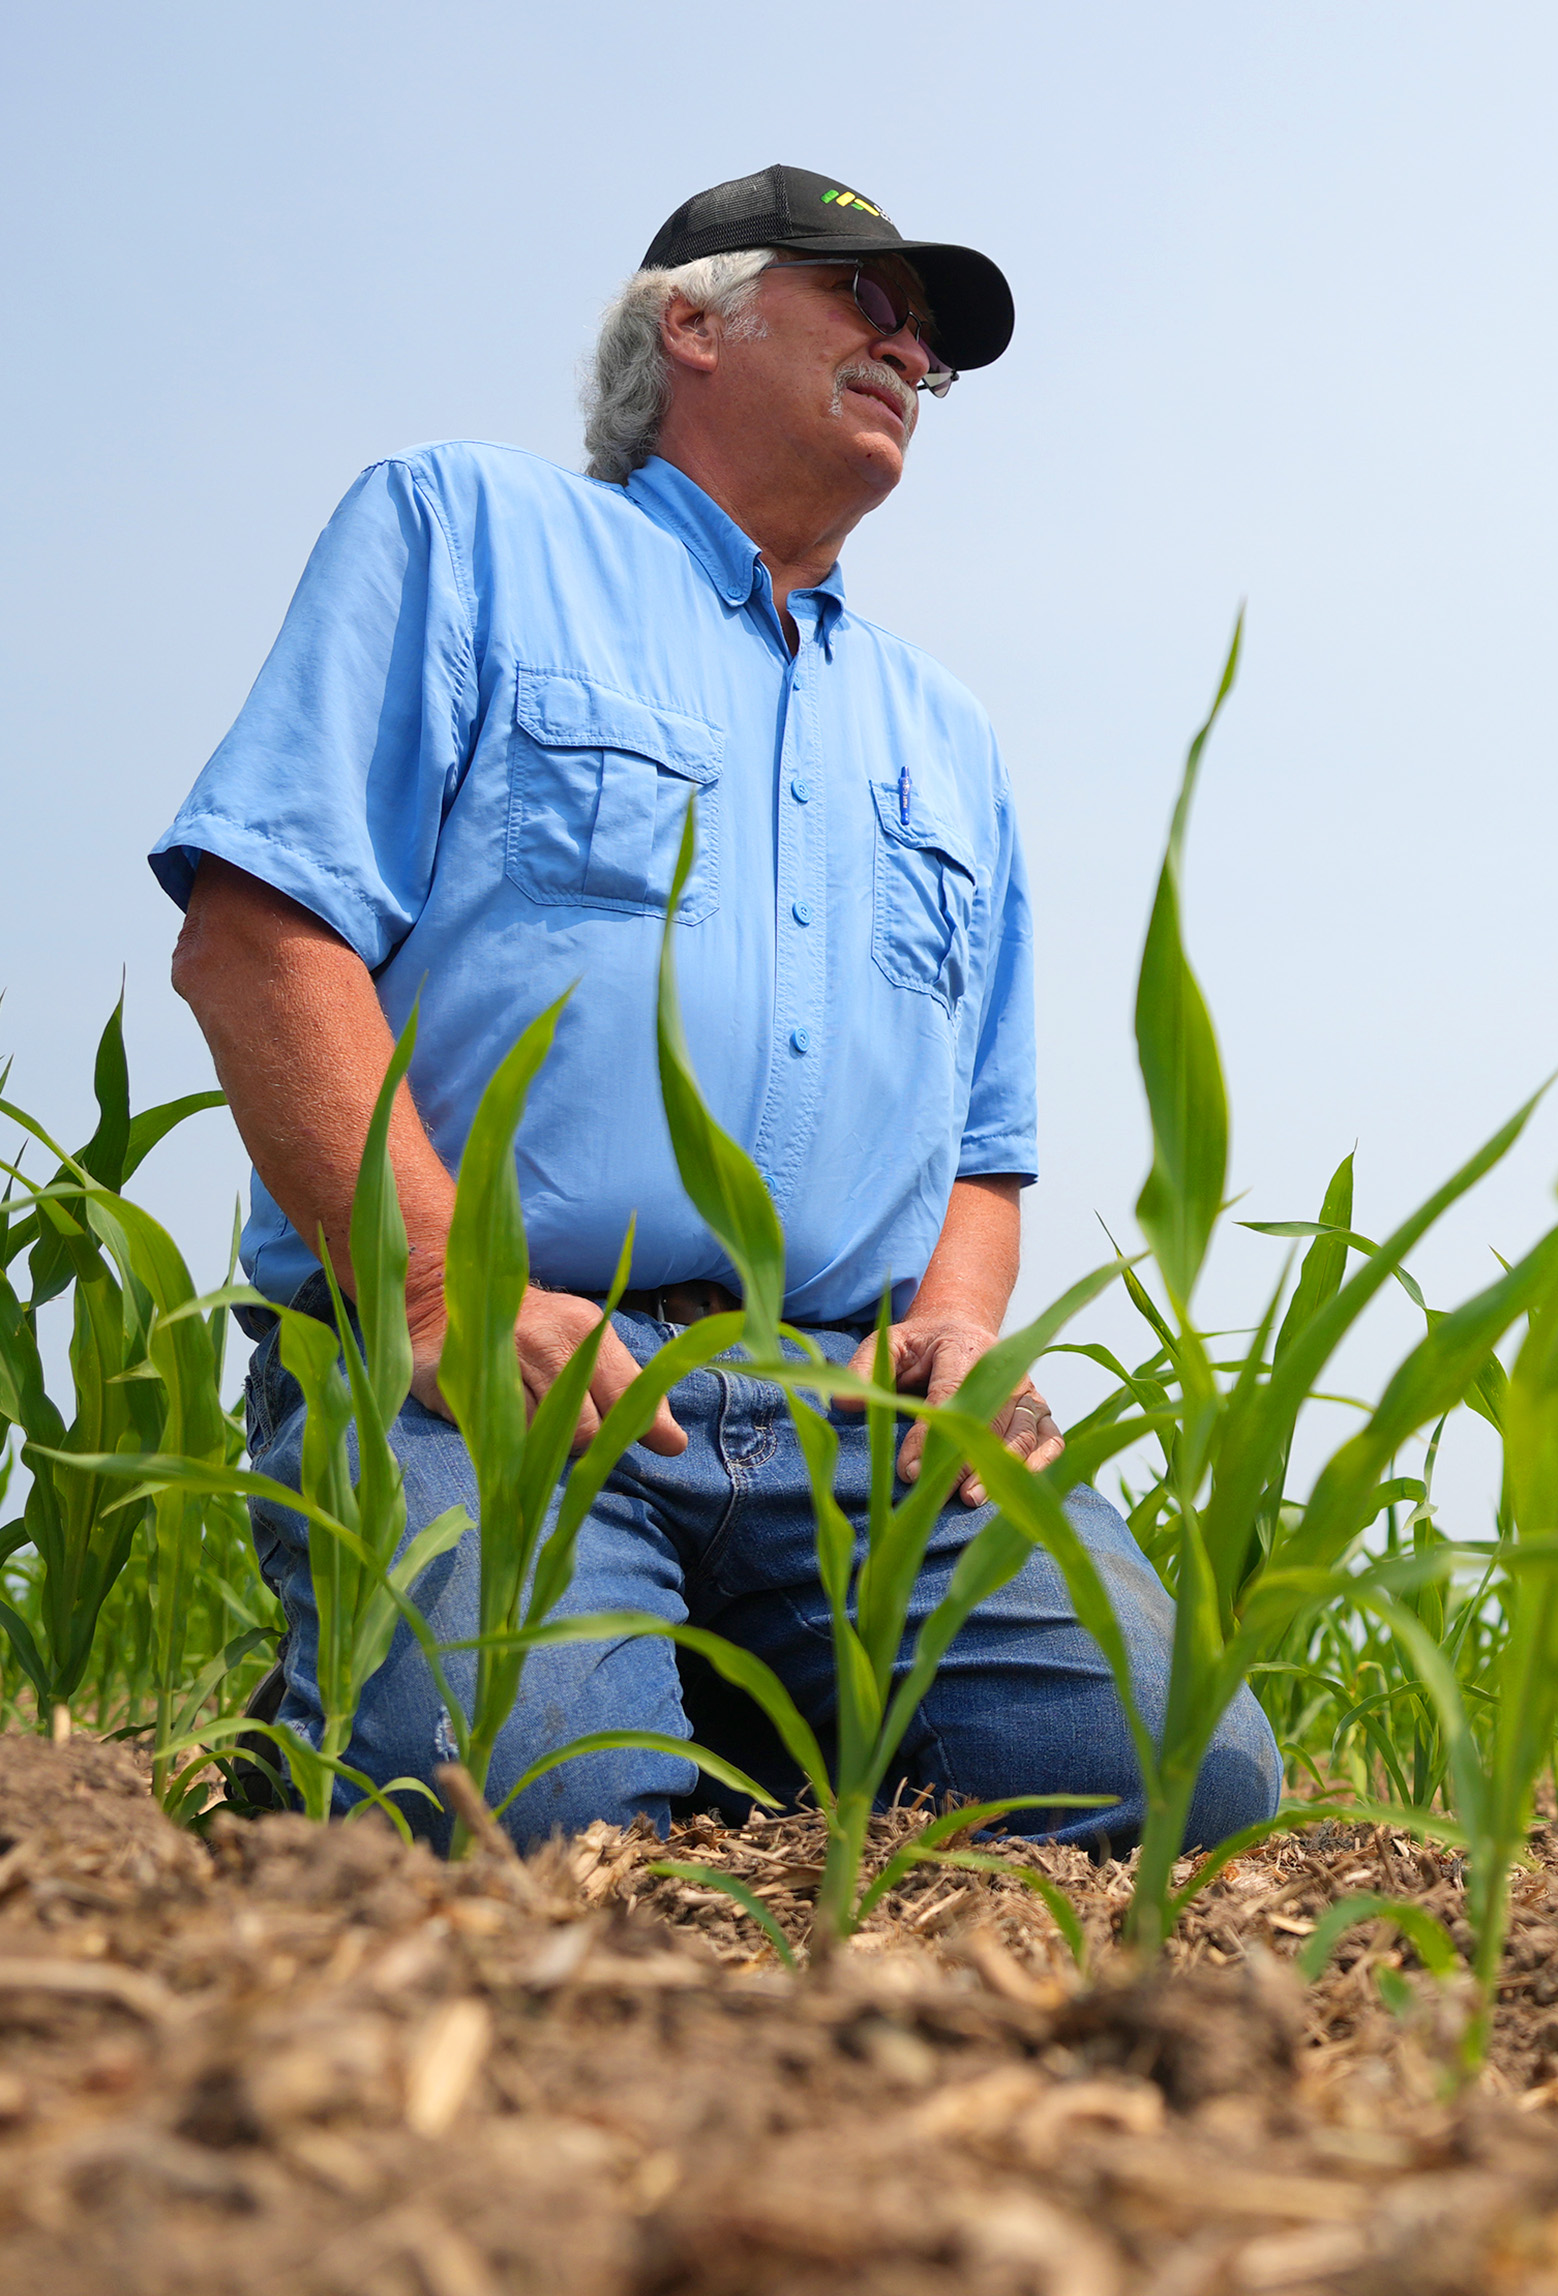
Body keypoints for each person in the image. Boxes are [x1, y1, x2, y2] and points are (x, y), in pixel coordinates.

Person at [154, 167, 1279, 1853]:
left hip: (848, 1418)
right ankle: (426, 1706)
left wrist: (958, 1327)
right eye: (868, 301)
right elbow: (257, 938)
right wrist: (444, 1290)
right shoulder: (466, 531)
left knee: (1193, 1781)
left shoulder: (946, 734)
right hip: (496, 1365)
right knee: (534, 1816)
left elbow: (985, 1150)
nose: (911, 353)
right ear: (690, 321)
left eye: (932, 343)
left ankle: (726, 1706)